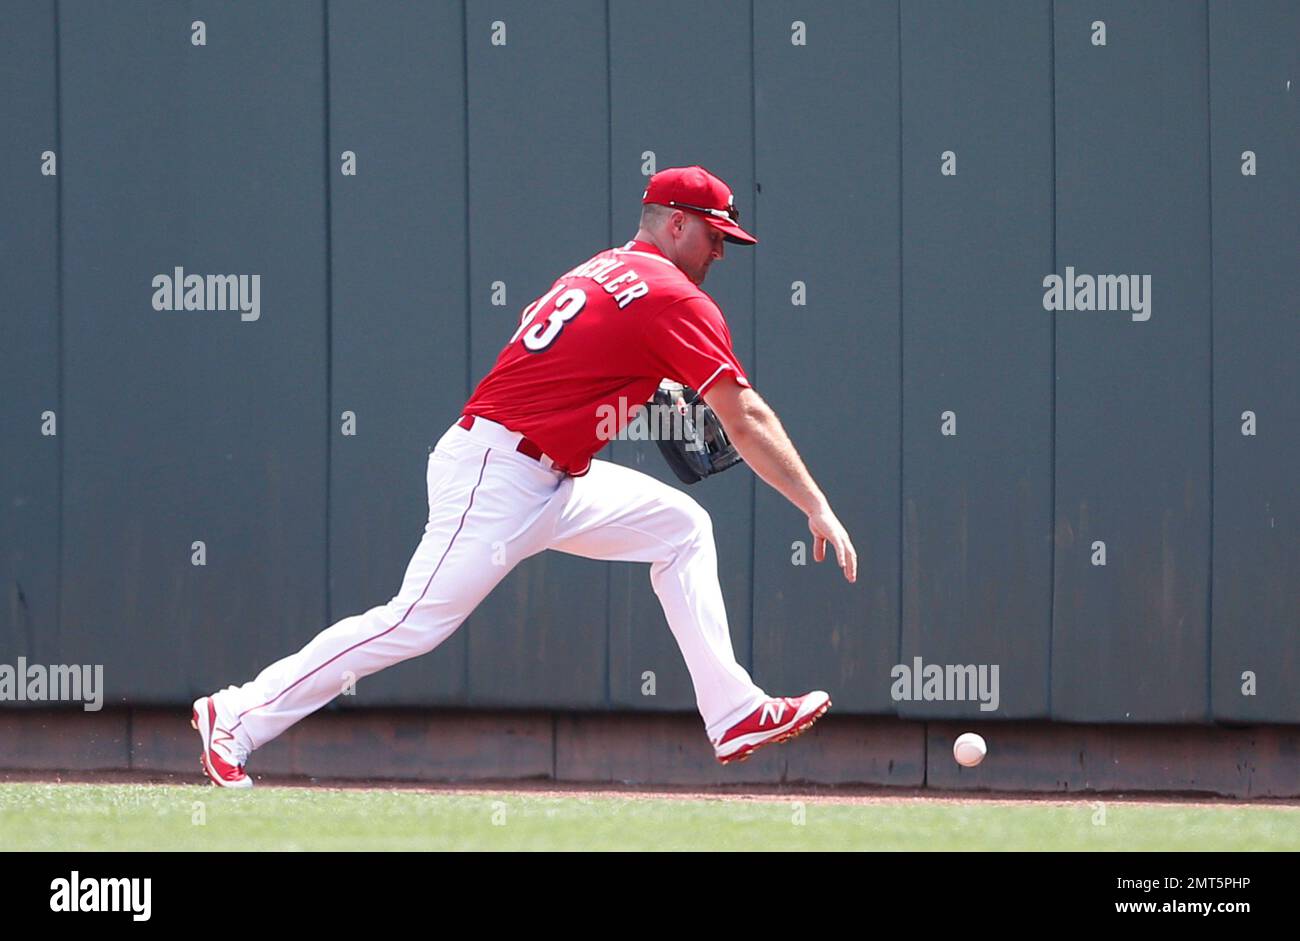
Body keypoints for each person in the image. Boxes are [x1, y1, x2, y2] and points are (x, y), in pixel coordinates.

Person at [191, 166, 858, 788]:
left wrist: (643, 379)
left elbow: (544, 335)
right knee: (411, 622)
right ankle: (237, 714)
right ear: (676, 223)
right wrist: (815, 502)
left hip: (552, 475)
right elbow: (745, 418)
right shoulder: (669, 294)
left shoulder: (600, 268)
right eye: (715, 235)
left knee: (682, 527)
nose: (720, 252)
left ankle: (733, 709)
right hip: (498, 473)